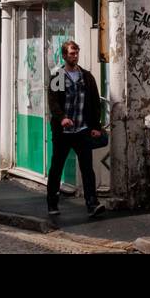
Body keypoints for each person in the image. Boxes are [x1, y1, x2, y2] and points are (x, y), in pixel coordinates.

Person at [46, 40, 105, 219]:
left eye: (76, 53)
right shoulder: (59, 76)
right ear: (64, 56)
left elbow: (95, 103)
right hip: (63, 132)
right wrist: (62, 118)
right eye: (71, 53)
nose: (74, 56)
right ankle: (52, 202)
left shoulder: (86, 77)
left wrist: (96, 127)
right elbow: (54, 102)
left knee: (87, 168)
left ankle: (92, 203)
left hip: (82, 130)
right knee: (57, 167)